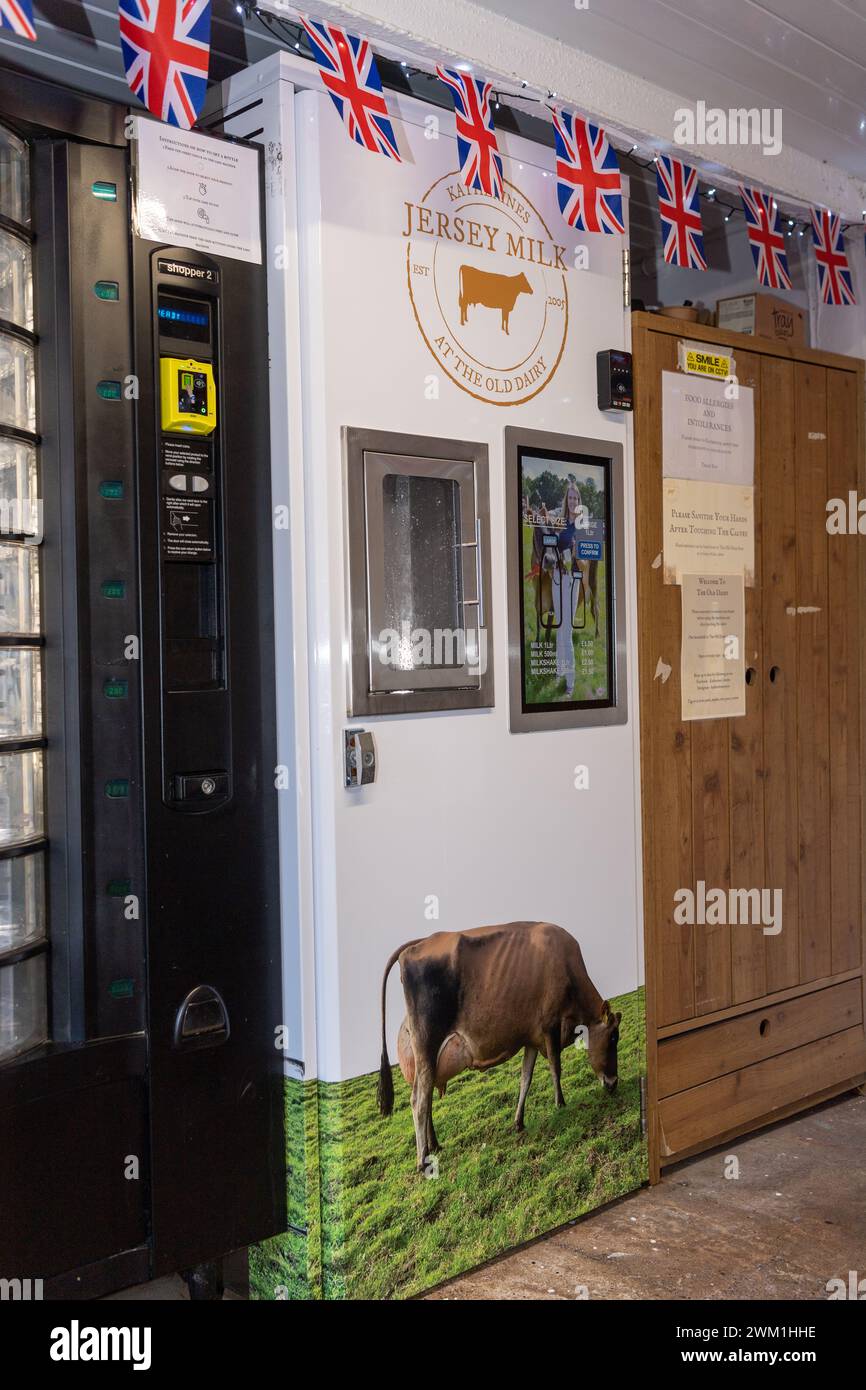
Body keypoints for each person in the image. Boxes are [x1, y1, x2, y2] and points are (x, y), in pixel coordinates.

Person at [553, 480, 585, 697]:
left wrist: (577, 553)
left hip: (573, 579)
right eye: (570, 497)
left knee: (567, 631)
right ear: (567, 500)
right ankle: (558, 670)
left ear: (579, 501)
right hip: (557, 576)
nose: (572, 501)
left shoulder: (583, 525)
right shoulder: (561, 522)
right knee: (559, 626)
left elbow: (586, 562)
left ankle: (571, 682)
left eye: (575, 498)